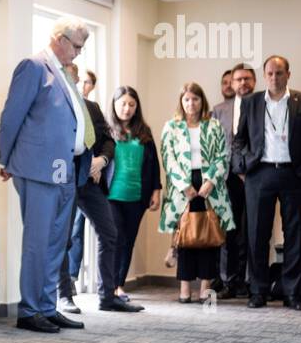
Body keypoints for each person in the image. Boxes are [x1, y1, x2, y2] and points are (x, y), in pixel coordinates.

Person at [0, 18, 95, 334]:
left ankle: (46, 306)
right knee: (37, 242)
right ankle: (29, 310)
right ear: (59, 39)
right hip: (37, 169)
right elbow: (11, 116)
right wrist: (5, 159)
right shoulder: (34, 67)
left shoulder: (63, 74)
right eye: (77, 46)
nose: (79, 53)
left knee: (56, 243)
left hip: (64, 169)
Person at [232, 55, 301, 310]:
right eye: (270, 73)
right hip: (260, 174)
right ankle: (258, 291)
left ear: (288, 74)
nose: (274, 78)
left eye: (279, 73)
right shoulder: (250, 102)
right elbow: (239, 140)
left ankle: (291, 293)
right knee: (257, 235)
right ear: (264, 75)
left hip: (295, 175)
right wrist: (241, 168)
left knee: (294, 234)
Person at [57, 61, 143, 317]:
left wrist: (101, 160)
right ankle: (64, 296)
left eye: (79, 80)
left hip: (91, 181)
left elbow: (107, 141)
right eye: (71, 80)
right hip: (65, 180)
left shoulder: (92, 108)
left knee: (110, 233)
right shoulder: (54, 107)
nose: (77, 85)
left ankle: (107, 296)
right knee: (64, 239)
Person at [160, 83, 235, 302]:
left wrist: (211, 180)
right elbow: (168, 158)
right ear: (181, 102)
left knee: (208, 236)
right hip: (183, 186)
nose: (191, 103)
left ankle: (205, 288)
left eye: (195, 99)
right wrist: (184, 184)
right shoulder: (171, 126)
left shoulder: (214, 125)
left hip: (209, 185)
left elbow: (223, 155)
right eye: (186, 99)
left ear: (202, 101)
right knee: (185, 237)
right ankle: (184, 288)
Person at [104, 86, 161, 302]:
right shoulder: (106, 130)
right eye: (123, 104)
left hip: (138, 196)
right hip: (111, 195)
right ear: (114, 105)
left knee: (128, 240)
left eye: (131, 105)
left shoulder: (144, 131)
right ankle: (108, 285)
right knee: (116, 238)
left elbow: (154, 164)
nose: (127, 109)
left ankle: (119, 286)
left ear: (136, 108)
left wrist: (156, 190)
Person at [211, 62, 257, 297]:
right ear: (232, 83)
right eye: (238, 79)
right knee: (228, 231)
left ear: (254, 81)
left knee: (254, 231)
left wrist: (248, 168)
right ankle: (228, 281)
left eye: (247, 79)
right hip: (226, 178)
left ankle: (251, 281)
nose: (242, 83)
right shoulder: (219, 110)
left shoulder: (263, 104)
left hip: (255, 176)